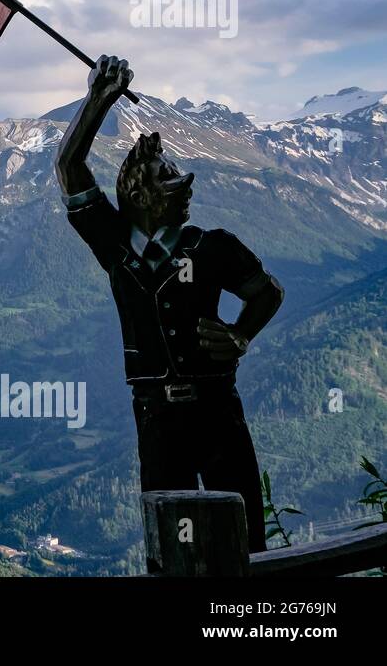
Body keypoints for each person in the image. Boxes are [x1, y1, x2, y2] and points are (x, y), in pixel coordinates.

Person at [55, 54, 284, 553]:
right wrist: (99, 100)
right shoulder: (112, 241)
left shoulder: (212, 245)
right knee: (168, 538)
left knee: (245, 540)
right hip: (156, 419)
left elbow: (268, 292)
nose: (179, 180)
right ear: (139, 191)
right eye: (166, 171)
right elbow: (68, 166)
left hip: (217, 410)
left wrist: (242, 334)